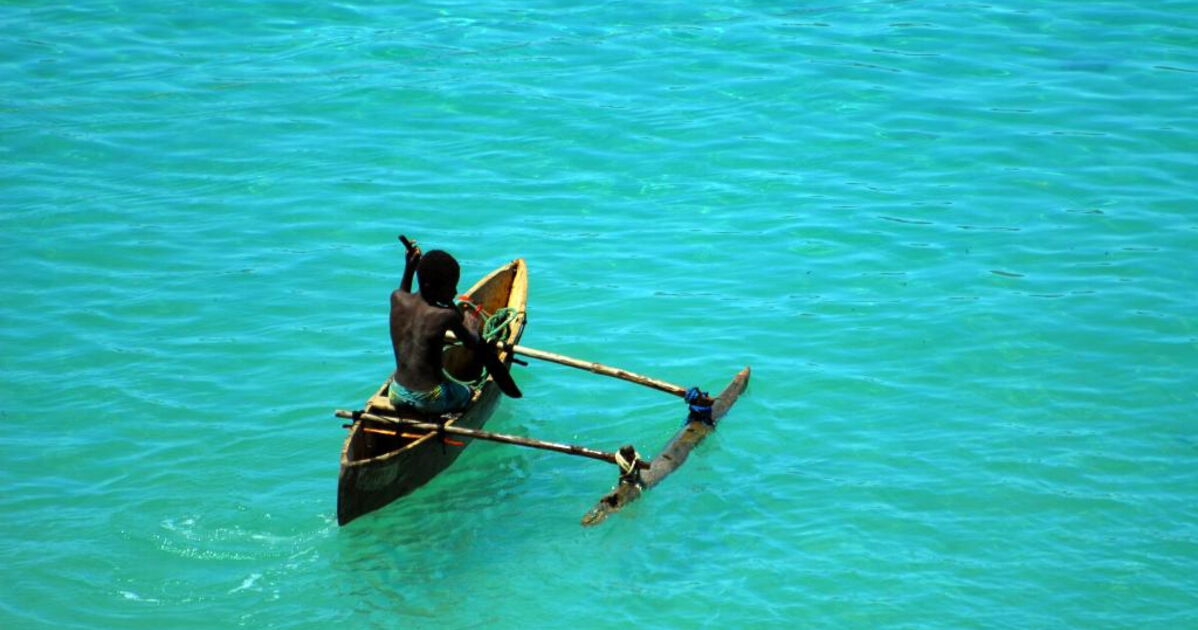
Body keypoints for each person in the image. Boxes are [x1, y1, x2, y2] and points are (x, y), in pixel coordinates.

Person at [387, 236, 518, 413]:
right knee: (468, 392)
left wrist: (409, 267)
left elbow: (404, 292)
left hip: (396, 393)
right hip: (430, 399)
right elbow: (472, 343)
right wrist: (471, 324)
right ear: (430, 286)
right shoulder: (446, 316)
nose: (455, 291)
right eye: (450, 287)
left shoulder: (396, 298)